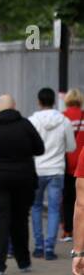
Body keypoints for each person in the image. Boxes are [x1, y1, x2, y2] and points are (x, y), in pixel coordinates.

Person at [0, 94, 43, 275]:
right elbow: (40, 148)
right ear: (14, 106)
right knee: (20, 221)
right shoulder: (25, 125)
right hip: (24, 180)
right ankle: (23, 262)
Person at [29, 87, 76, 260]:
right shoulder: (64, 121)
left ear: (39, 101)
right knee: (55, 209)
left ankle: (39, 246)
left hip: (37, 169)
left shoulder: (32, 121)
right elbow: (71, 147)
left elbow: (29, 145)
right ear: (54, 102)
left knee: (36, 207)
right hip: (57, 169)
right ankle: (50, 248)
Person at [63, 89, 83, 249]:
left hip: (66, 162)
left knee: (68, 198)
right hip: (81, 162)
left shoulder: (63, 116)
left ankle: (68, 230)